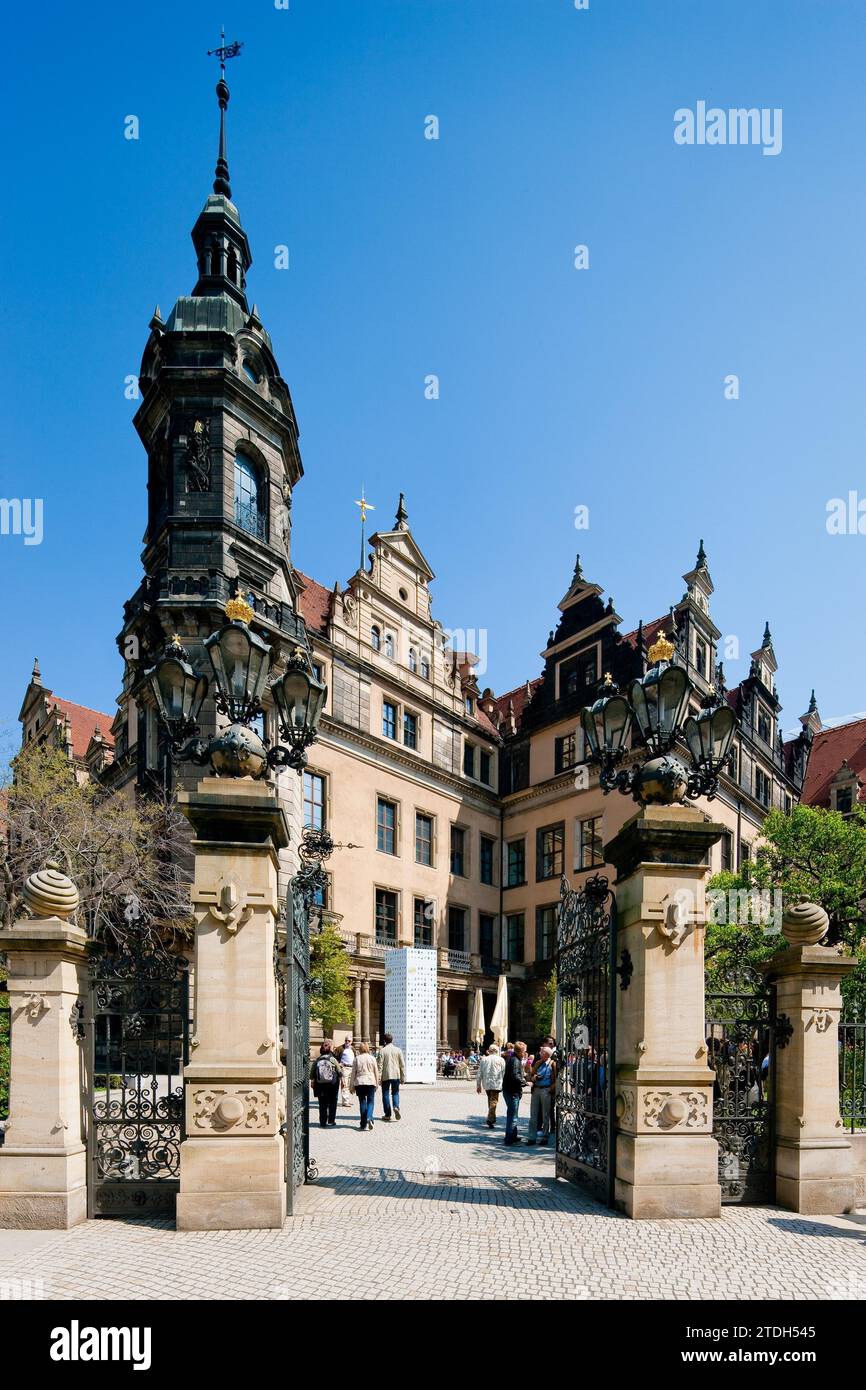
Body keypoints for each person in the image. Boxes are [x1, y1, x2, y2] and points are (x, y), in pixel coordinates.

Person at [527, 1045, 557, 1146]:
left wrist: (551, 1089)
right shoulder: (538, 1063)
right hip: (536, 1090)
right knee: (533, 1115)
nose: (540, 1053)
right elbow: (530, 1076)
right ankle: (532, 1137)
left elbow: (557, 1079)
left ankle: (545, 1137)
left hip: (546, 1090)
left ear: (546, 1054)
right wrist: (534, 1078)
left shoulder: (553, 1064)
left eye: (541, 1052)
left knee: (545, 1115)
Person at [309, 1040, 341, 1128]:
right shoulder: (332, 1059)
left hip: (320, 1085)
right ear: (329, 1050)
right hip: (332, 1085)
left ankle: (322, 1122)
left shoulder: (317, 1060)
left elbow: (311, 1075)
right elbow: (339, 1071)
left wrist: (313, 1081)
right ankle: (331, 1120)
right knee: (333, 1102)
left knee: (322, 1104)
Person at [350, 1042, 380, 1130]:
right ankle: (369, 1117)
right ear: (368, 1049)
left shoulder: (356, 1059)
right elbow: (376, 1072)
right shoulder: (372, 1058)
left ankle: (363, 1124)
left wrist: (351, 1085)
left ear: (360, 1049)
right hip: (371, 1081)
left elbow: (353, 1073)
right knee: (370, 1101)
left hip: (360, 1082)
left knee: (362, 1102)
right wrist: (377, 1083)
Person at [502, 1041, 528, 1145]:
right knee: (512, 1116)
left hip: (508, 1090)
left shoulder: (512, 1058)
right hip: (512, 1091)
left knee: (512, 1114)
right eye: (524, 1051)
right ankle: (509, 1139)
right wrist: (526, 1083)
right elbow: (515, 1076)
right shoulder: (515, 1060)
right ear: (520, 1051)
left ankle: (513, 1135)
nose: (525, 1053)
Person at [377, 1032, 406, 1120]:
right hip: (396, 1075)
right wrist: (403, 1077)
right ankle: (396, 1106)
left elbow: (380, 1065)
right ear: (392, 1040)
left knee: (385, 1094)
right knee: (395, 1093)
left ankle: (387, 1114)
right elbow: (402, 1065)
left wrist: (378, 1078)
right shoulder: (398, 1050)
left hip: (386, 1075)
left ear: (385, 1041)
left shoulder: (382, 1051)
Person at [477, 1044, 506, 1128]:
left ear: (489, 1051)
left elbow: (479, 1073)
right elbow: (504, 1073)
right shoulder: (501, 1060)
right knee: (493, 1101)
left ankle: (491, 1116)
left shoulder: (484, 1059)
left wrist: (478, 1085)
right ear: (497, 1051)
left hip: (486, 1084)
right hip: (496, 1083)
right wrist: (504, 1083)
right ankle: (490, 1119)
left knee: (490, 1100)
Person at [339, 1037, 355, 1107]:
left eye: (349, 1041)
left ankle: (347, 1100)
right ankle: (345, 1101)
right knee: (344, 1084)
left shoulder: (353, 1049)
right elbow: (335, 1056)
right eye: (346, 1040)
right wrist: (339, 1064)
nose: (347, 1042)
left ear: (351, 1041)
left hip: (352, 1068)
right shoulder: (340, 1048)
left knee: (350, 1085)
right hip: (344, 1068)